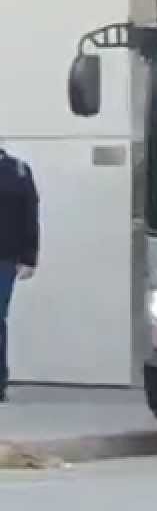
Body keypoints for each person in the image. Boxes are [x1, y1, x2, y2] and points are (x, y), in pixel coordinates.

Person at [0, 143, 39, 403]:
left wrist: (29, 258)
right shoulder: (18, 171)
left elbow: (29, 214)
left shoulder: (18, 171)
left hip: (5, 257)